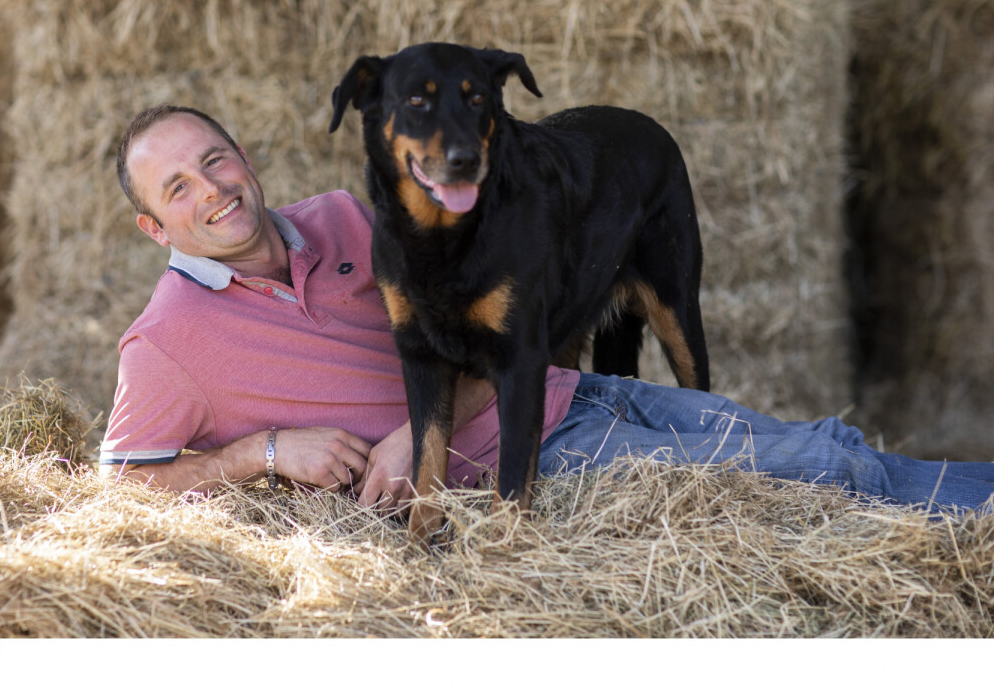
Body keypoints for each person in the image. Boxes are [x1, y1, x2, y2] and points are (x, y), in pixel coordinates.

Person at [100, 104, 994, 513]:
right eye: (179, 187)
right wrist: (264, 452)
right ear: (153, 226)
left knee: (828, 445)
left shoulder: (338, 216)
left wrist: (425, 418)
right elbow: (120, 482)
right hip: (534, 458)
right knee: (820, 470)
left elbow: (458, 311)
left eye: (216, 160)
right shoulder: (168, 344)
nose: (212, 189)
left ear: (243, 156)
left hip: (564, 392)